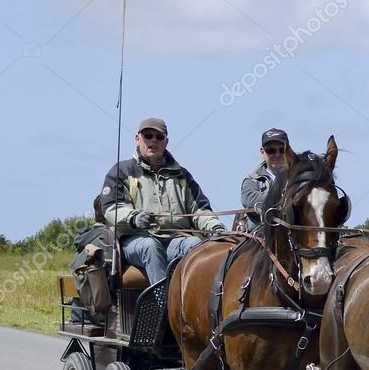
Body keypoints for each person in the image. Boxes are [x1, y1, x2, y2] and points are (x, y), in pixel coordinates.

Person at [99, 117, 224, 284]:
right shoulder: (121, 171)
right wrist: (133, 217)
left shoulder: (182, 175)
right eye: (148, 136)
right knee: (150, 246)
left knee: (195, 243)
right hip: (135, 241)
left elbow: (199, 211)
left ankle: (199, 298)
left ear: (166, 142)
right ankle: (162, 300)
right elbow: (111, 208)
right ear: (137, 138)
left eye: (159, 137)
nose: (153, 141)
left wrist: (215, 228)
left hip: (175, 240)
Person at [234, 127, 289, 233]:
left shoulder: (300, 179)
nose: (277, 154)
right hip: (260, 236)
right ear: (262, 152)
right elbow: (249, 201)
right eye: (271, 151)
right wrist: (286, 196)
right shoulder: (251, 181)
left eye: (282, 150)